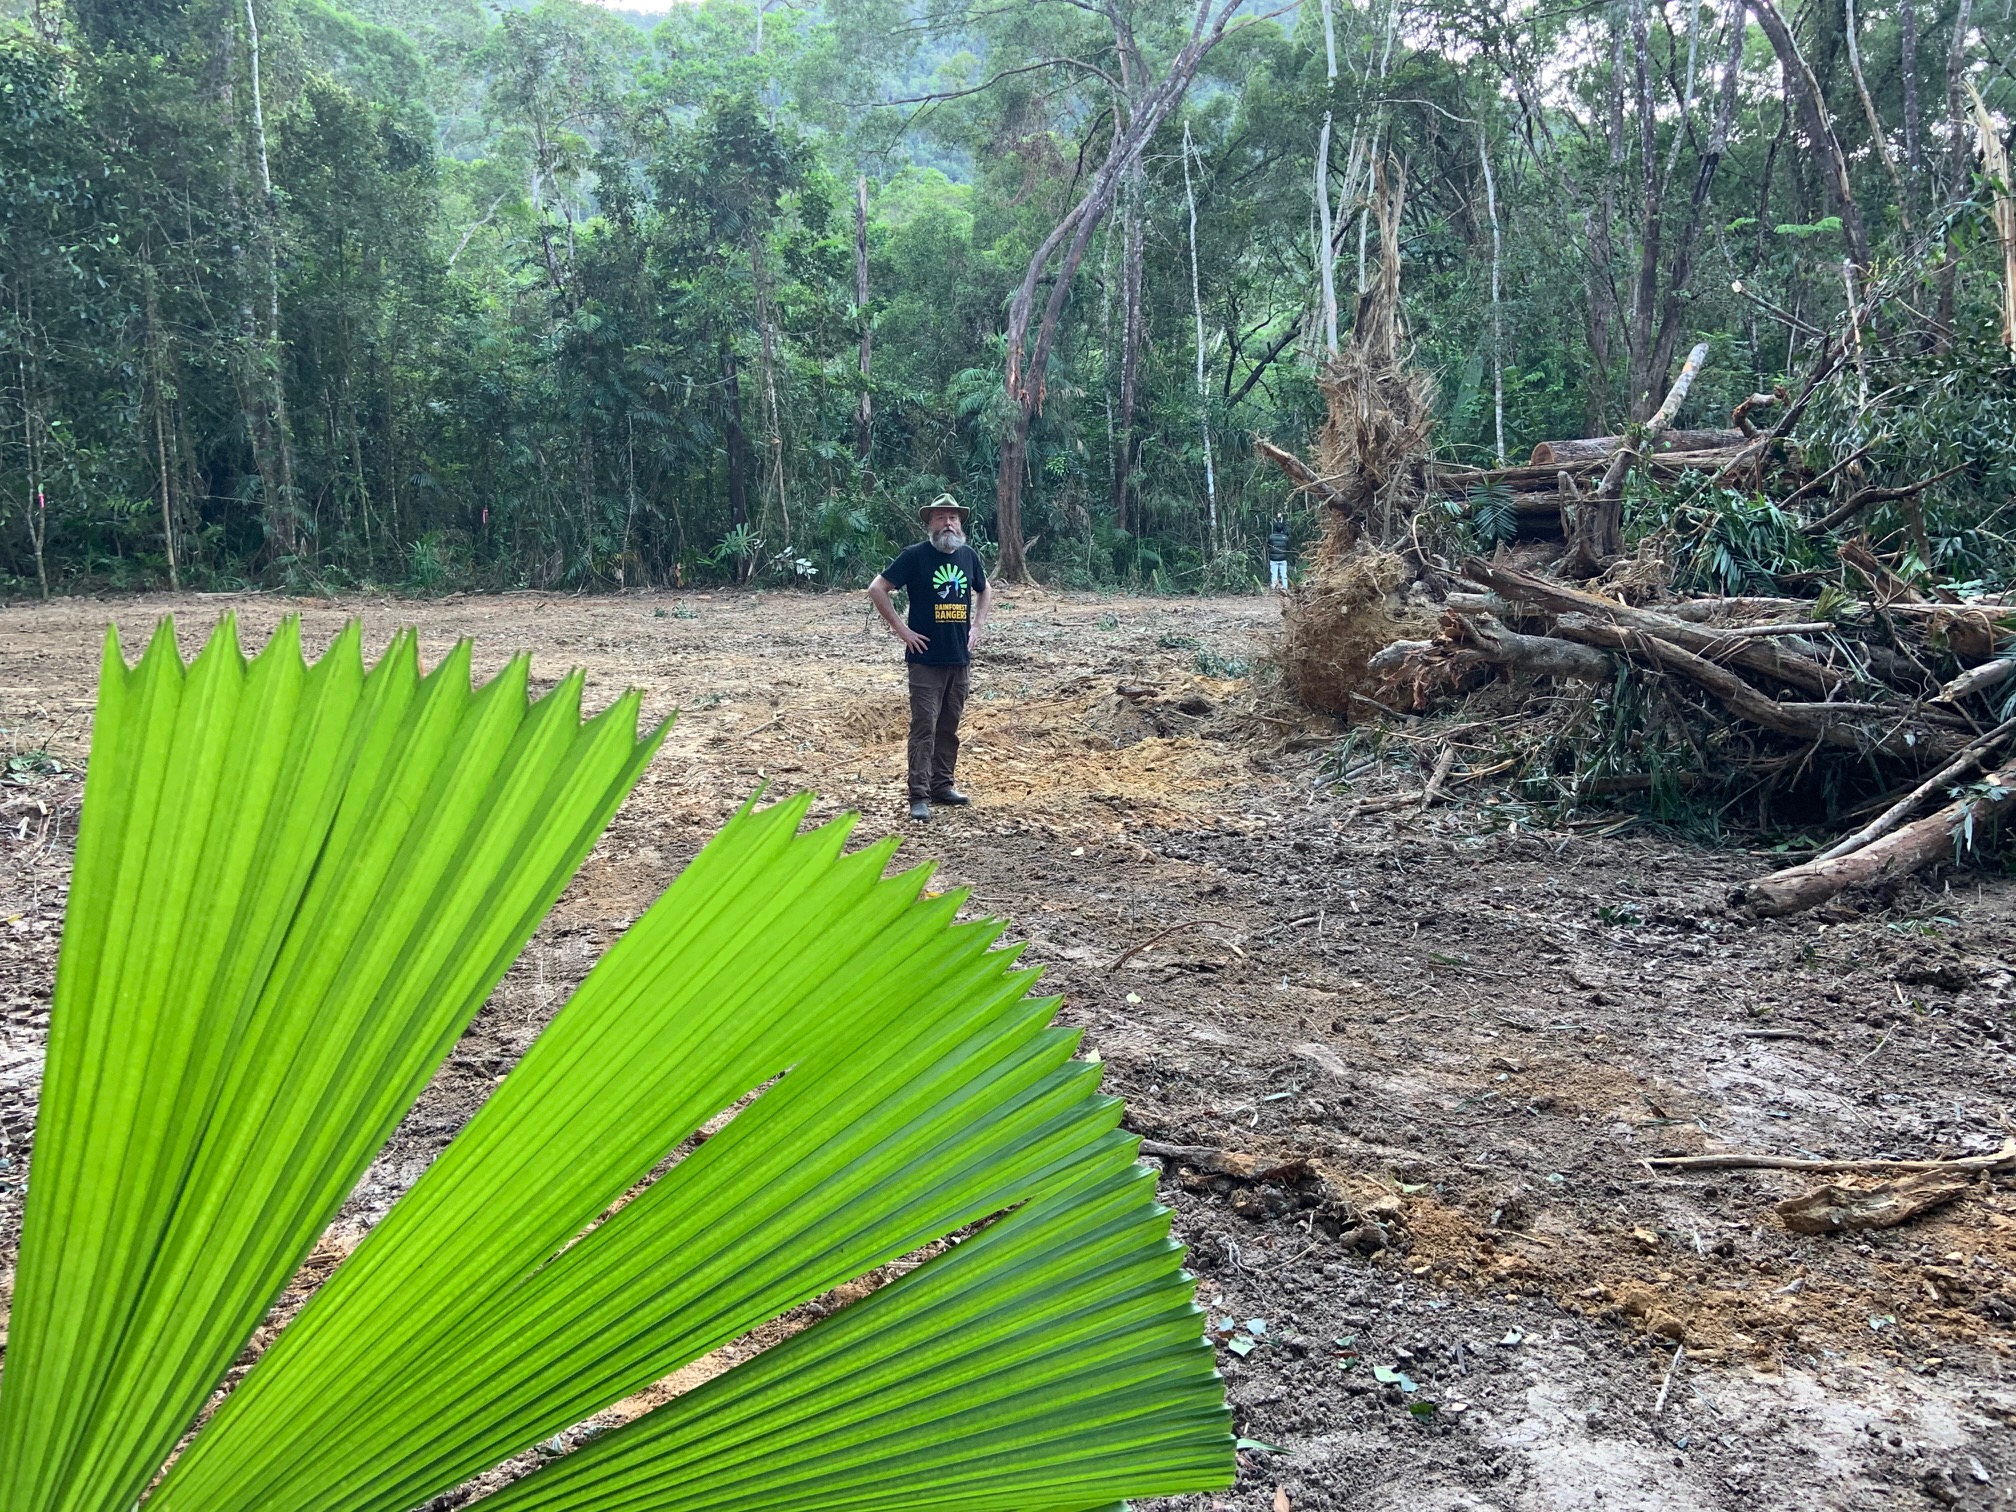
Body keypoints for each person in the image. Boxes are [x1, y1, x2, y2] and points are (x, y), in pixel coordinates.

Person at [868, 494, 991, 822]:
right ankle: (919, 795)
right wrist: (902, 630)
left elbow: (985, 588)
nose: (948, 523)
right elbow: (877, 588)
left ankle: (942, 786)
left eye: (953, 517)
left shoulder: (968, 556)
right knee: (925, 727)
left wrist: (977, 625)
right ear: (930, 524)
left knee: (949, 727)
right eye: (940, 518)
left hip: (958, 658)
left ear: (960, 524)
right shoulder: (915, 556)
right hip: (925, 660)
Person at [1267, 516, 1291, 591]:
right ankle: (1285, 587)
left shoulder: (1271, 537)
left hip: (1273, 559)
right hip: (1283, 558)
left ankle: (1274, 587)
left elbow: (1268, 545)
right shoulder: (1285, 538)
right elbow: (1288, 547)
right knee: (1284, 574)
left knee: (1274, 573)